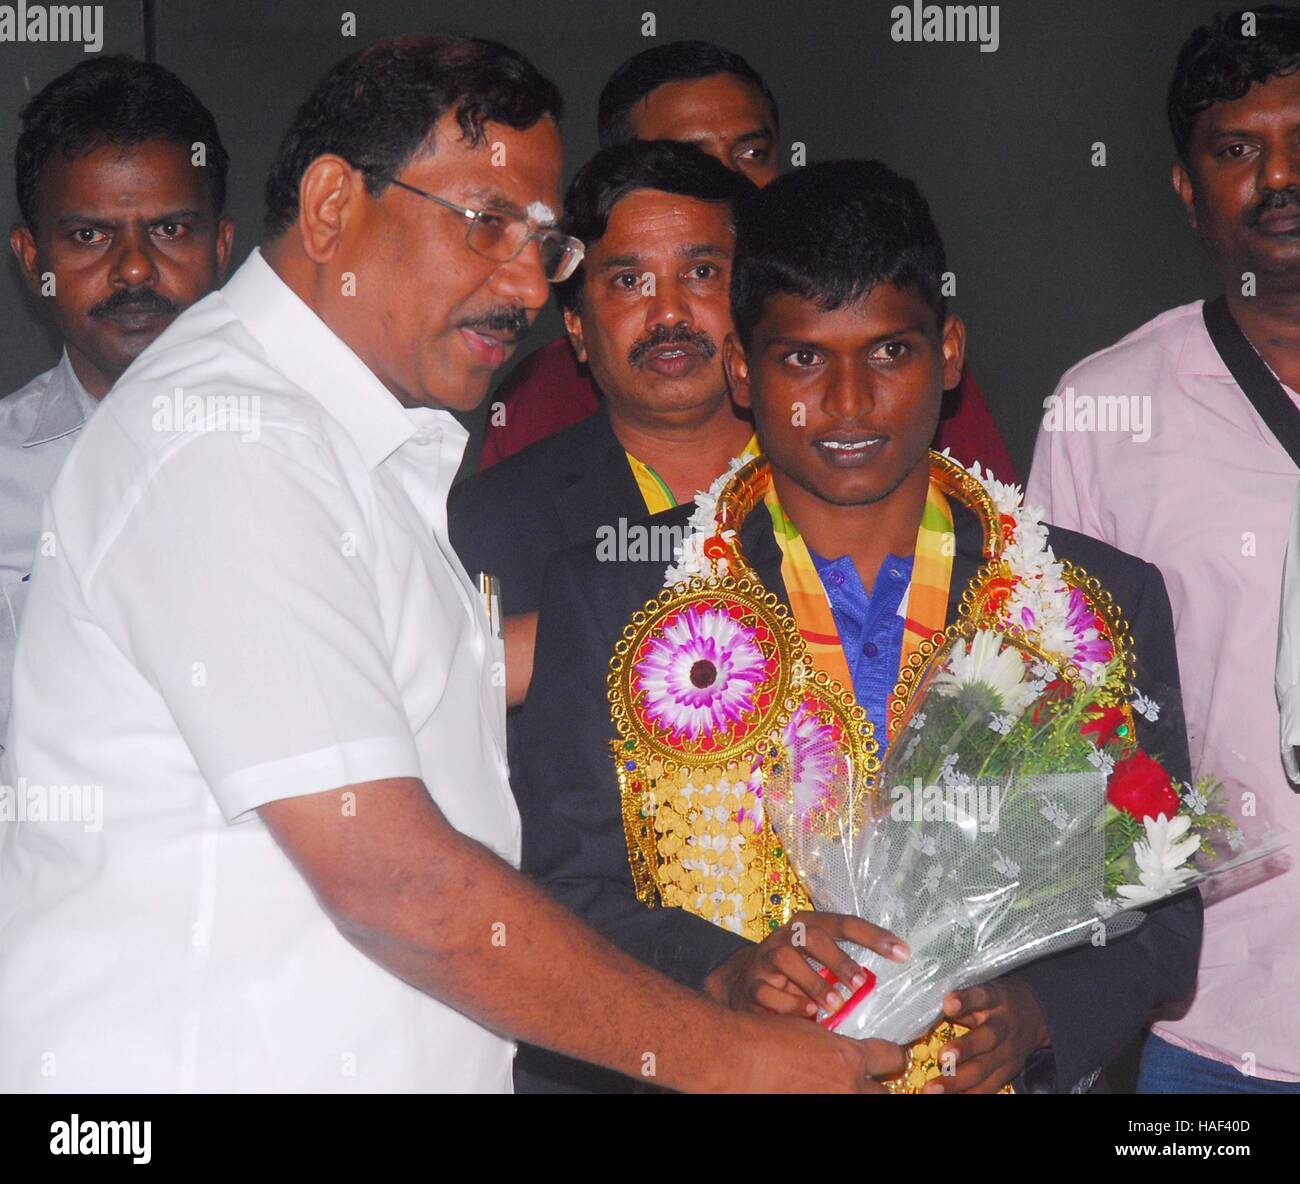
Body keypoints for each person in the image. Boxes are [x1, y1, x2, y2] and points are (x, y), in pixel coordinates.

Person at [0, 34, 905, 1094]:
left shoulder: (354, 440)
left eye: (544, 243)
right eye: (487, 225)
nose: (525, 285)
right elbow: (394, 878)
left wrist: (753, 624)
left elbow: (444, 675)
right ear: (335, 205)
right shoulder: (230, 439)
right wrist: (728, 1053)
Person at [516, 159, 1202, 1094]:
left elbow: (1162, 913)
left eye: (889, 352)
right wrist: (726, 972)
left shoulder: (1096, 601)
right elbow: (564, 891)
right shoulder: (614, 595)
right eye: (802, 357)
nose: (846, 402)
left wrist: (1042, 1017)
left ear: (949, 352)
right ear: (741, 371)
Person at [1027, 6, 1300, 1093]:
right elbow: (1057, 718)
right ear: (1188, 189)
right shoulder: (1103, 409)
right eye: (1239, 151)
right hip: (1208, 1018)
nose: (1279, 177)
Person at [479, 39, 1015, 481]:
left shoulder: (889, 352)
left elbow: (994, 553)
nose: (732, 182)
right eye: (688, 163)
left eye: (752, 154)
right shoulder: (543, 394)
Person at [450, 140, 756, 707]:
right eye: (627, 281)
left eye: (701, 272)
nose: (668, 311)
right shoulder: (485, 527)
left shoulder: (835, 486)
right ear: (577, 329)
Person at [0, 55, 234, 750]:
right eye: (89, 236)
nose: (134, 269)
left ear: (222, 247)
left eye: (169, 230)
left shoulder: (318, 449)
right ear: (31, 259)